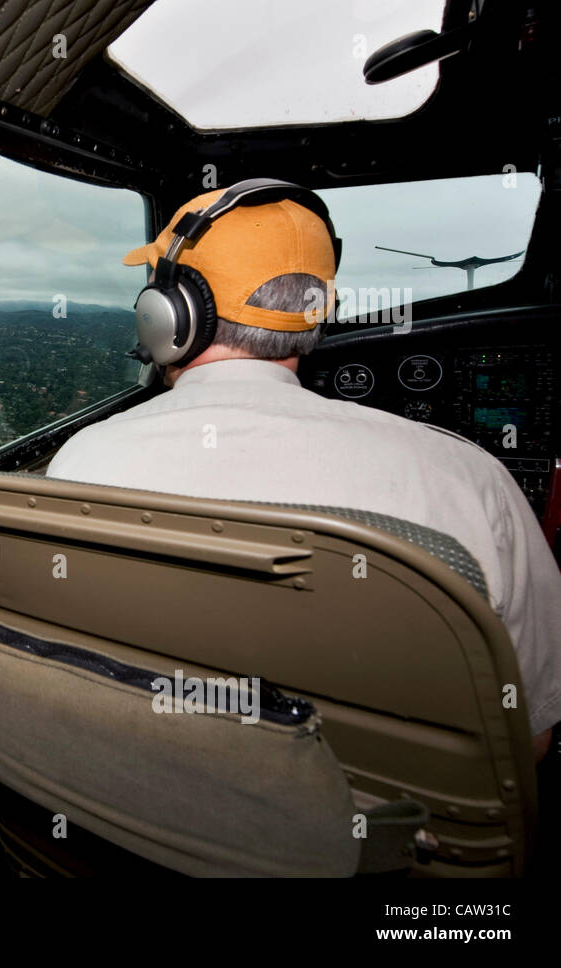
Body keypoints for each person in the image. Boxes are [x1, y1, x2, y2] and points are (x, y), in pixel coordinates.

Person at [46, 185, 560, 761]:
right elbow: (531, 737)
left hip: (139, 783)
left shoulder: (80, 461)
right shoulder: (473, 483)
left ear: (169, 313)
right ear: (322, 312)